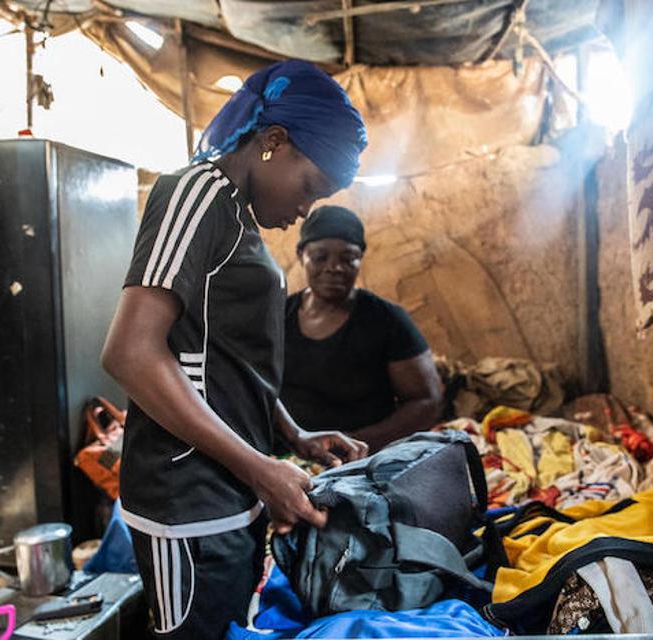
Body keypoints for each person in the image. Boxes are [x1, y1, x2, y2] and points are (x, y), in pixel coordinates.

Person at [101, 60, 369, 640]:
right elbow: (131, 352)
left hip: (228, 492)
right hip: (186, 500)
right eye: (309, 188)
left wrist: (293, 436)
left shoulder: (237, 219)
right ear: (273, 141)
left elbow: (226, 358)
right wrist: (260, 468)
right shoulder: (197, 194)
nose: (304, 210)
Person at [278, 205, 443, 453]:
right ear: (301, 256)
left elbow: (427, 401)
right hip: (287, 455)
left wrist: (353, 443)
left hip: (362, 456)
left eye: (347, 258)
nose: (334, 267)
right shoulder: (278, 317)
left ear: (360, 259)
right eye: (320, 257)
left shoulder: (387, 320)